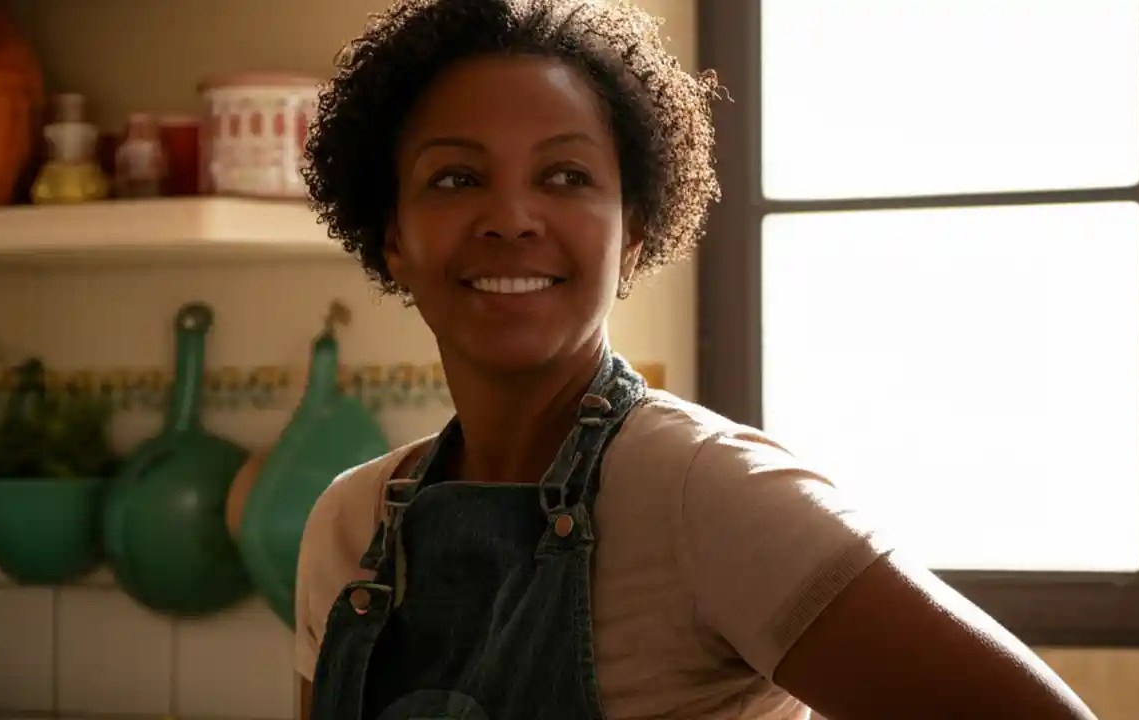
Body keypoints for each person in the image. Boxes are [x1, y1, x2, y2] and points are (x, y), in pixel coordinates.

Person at [292, 1, 1098, 717]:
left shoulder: (711, 494)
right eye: (457, 177)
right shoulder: (350, 523)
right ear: (393, 236)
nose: (511, 217)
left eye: (566, 175)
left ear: (633, 233)